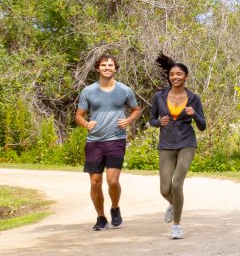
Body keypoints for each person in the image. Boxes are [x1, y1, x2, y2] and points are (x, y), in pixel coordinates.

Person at [75, 55, 141, 230]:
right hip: (94, 141)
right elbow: (79, 115)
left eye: (110, 65)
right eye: (103, 65)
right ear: (97, 68)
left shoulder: (124, 90)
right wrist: (86, 124)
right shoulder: (88, 91)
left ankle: (115, 208)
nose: (107, 67)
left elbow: (135, 111)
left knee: (112, 181)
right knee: (95, 182)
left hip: (116, 139)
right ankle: (101, 217)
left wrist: (128, 121)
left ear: (115, 68)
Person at [152, 52, 207, 241]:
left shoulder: (194, 98)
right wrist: (160, 122)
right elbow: (152, 120)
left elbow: (202, 126)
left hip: (186, 143)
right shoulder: (159, 96)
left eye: (179, 74)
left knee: (177, 183)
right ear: (169, 76)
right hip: (166, 144)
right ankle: (174, 205)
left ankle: (176, 226)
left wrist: (195, 114)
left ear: (186, 77)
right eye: (172, 74)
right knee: (164, 190)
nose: (175, 77)